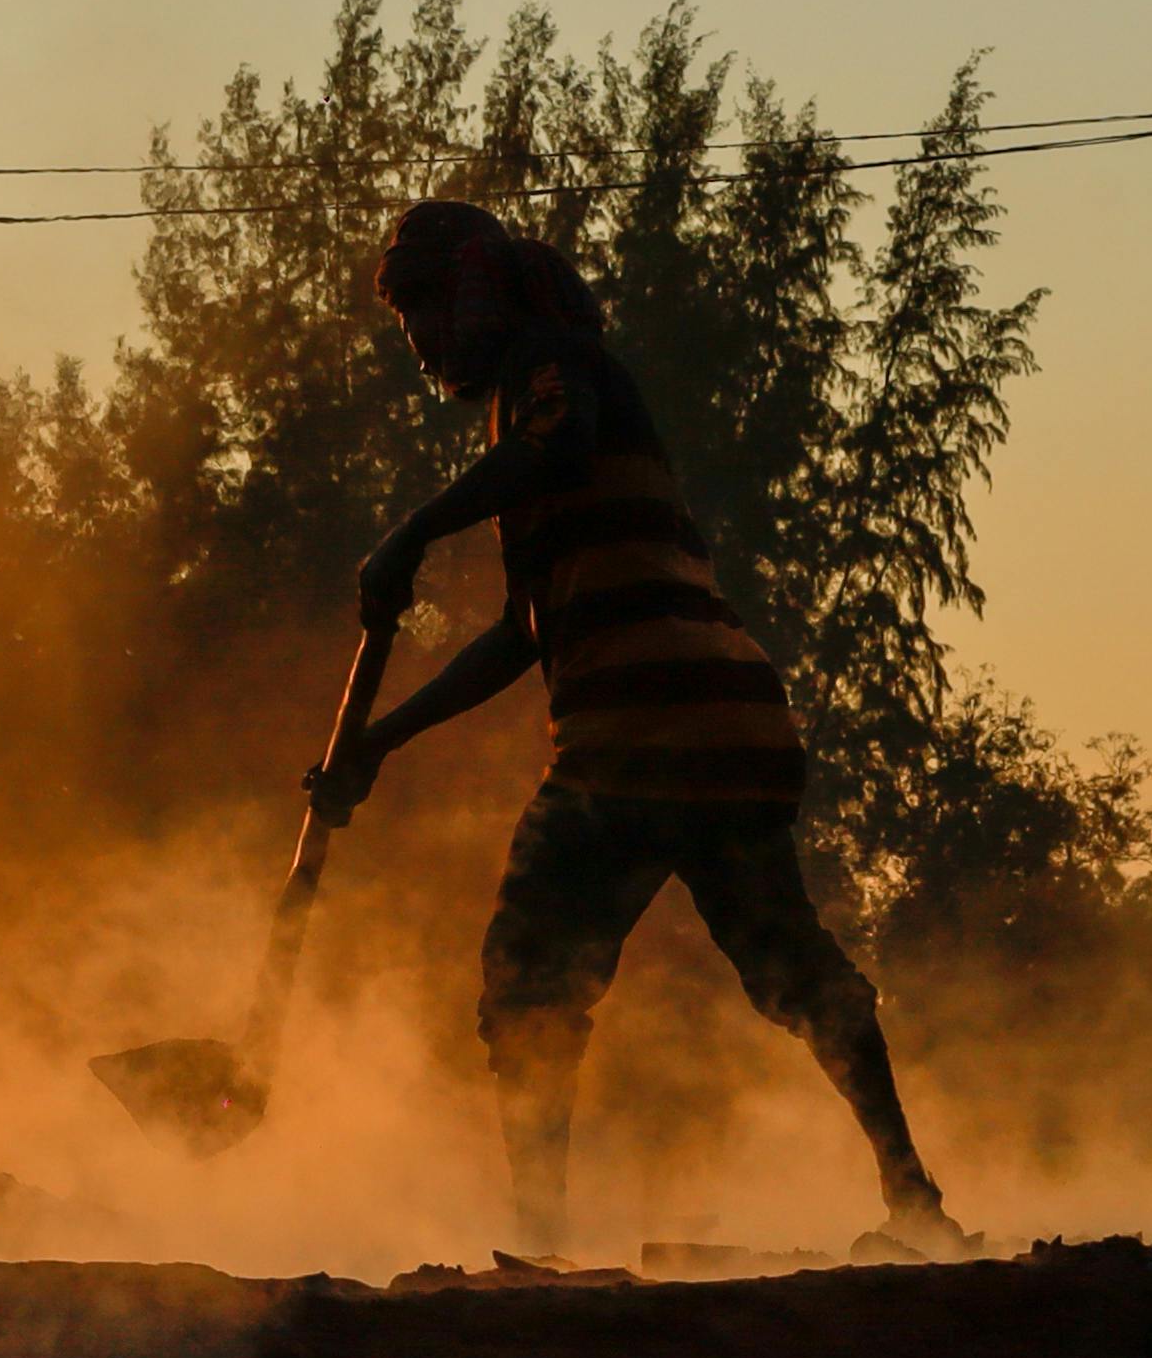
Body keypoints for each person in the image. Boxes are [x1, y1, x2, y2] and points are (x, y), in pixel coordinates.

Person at [305, 199, 963, 1260]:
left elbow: (556, 454)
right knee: (794, 970)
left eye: (424, 306)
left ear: (475, 284)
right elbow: (524, 630)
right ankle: (915, 1200)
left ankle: (540, 1240)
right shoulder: (529, 410)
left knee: (527, 972)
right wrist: (378, 740)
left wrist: (412, 530)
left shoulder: (558, 368)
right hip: (723, 729)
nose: (420, 338)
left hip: (637, 736)